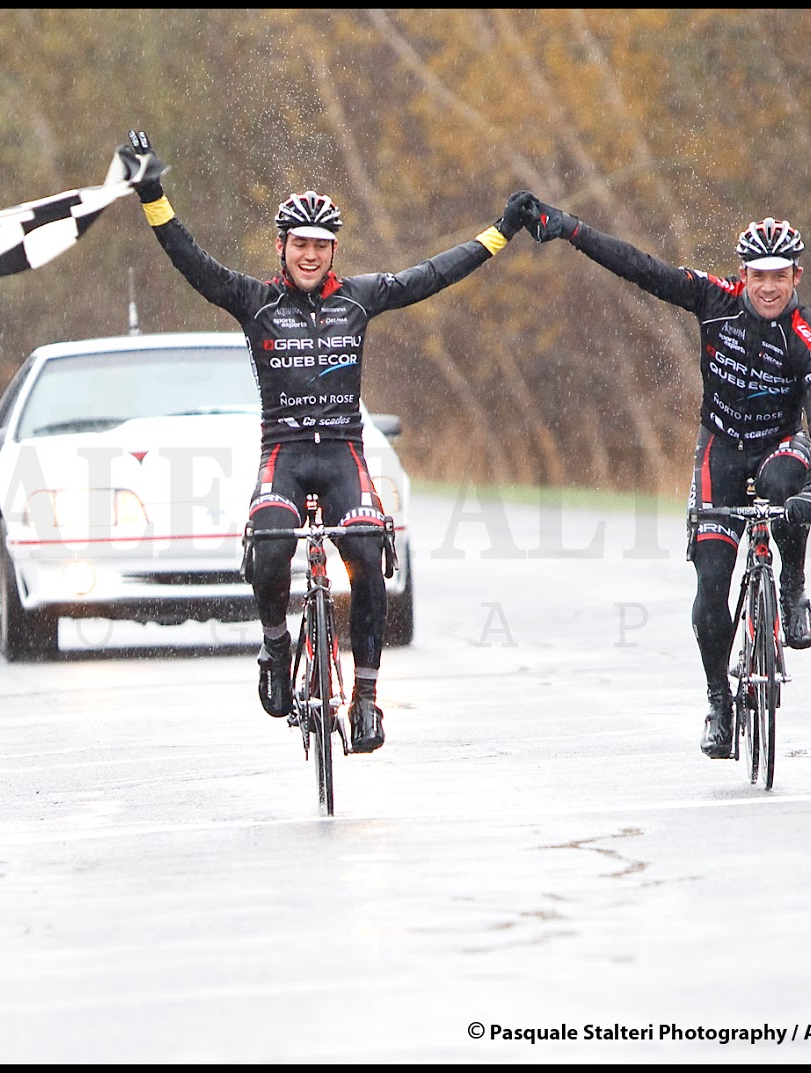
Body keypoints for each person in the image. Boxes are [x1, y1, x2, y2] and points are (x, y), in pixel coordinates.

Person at [119, 129, 529, 753]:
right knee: (271, 540)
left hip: (341, 453)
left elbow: (433, 275)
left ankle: (365, 695)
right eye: (300, 244)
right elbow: (189, 259)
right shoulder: (254, 302)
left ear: (334, 251)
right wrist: (153, 194)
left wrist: (498, 232)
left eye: (322, 246)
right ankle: (275, 646)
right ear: (280, 248)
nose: (311, 255)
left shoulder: (359, 300)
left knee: (368, 547)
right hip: (284, 453)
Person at [510, 193, 811, 758]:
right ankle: (718, 698)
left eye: (779, 277)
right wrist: (568, 230)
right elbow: (641, 268)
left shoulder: (808, 336)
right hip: (720, 449)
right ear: (743, 275)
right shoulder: (713, 300)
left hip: (780, 446)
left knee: (791, 486)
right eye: (758, 276)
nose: (768, 287)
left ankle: (792, 585)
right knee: (711, 588)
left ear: (796, 276)